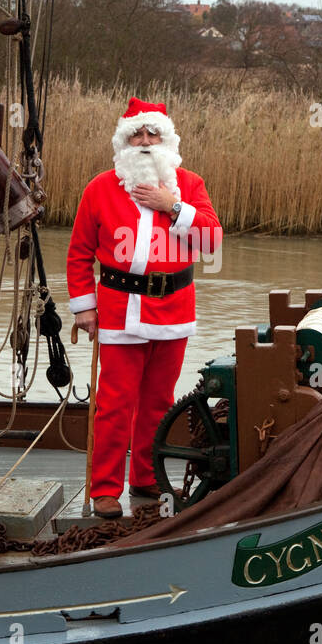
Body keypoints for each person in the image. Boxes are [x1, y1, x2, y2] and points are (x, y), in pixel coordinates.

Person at [66, 98, 222, 519]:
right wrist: (84, 308)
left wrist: (170, 204)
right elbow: (79, 253)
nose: (146, 141)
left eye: (153, 133)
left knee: (159, 402)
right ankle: (105, 489)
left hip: (174, 308)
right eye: (138, 134)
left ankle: (146, 477)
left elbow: (211, 242)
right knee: (114, 404)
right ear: (124, 142)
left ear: (167, 140)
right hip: (119, 311)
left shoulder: (189, 185)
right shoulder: (100, 188)